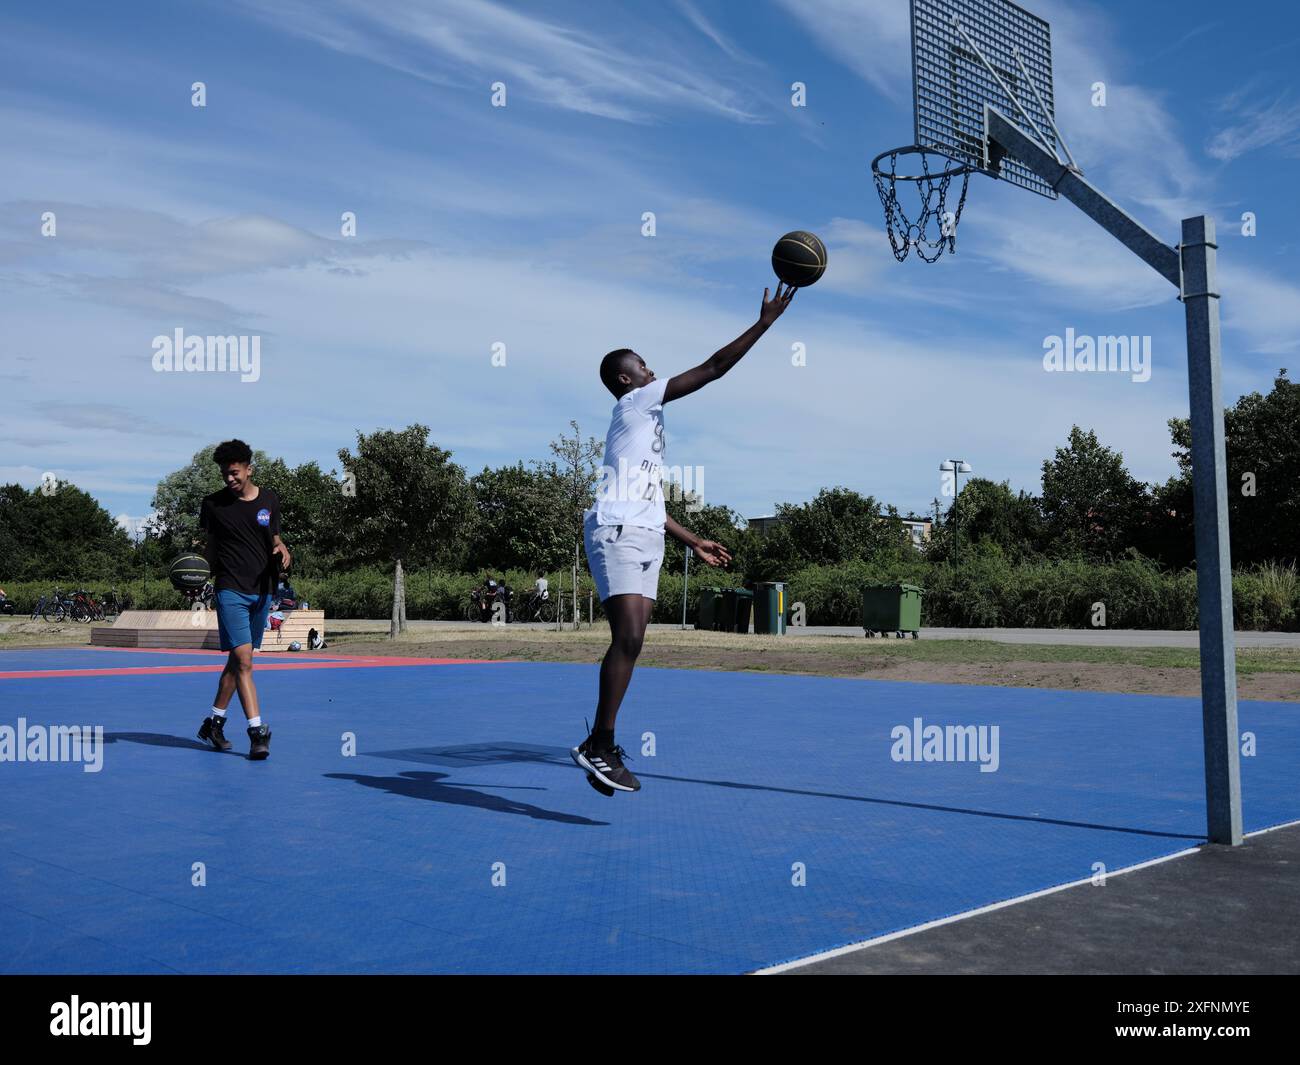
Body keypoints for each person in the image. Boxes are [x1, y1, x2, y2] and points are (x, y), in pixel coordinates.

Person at [572, 282, 798, 793]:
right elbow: (714, 368)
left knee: (633, 640)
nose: (655, 372)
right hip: (618, 532)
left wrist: (693, 540)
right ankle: (599, 746)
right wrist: (764, 324)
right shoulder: (635, 402)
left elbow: (652, 503)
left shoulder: (642, 429)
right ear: (628, 378)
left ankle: (601, 746)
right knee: (627, 637)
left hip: (644, 529)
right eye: (647, 366)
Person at [194, 439, 291, 760]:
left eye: (235, 473)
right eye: (225, 474)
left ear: (249, 469)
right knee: (246, 662)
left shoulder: (269, 500)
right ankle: (257, 732)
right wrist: (196, 577)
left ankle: (213, 724)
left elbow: (273, 539)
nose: (230, 479)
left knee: (237, 662)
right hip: (230, 589)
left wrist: (282, 549)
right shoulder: (213, 505)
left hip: (263, 590)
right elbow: (209, 548)